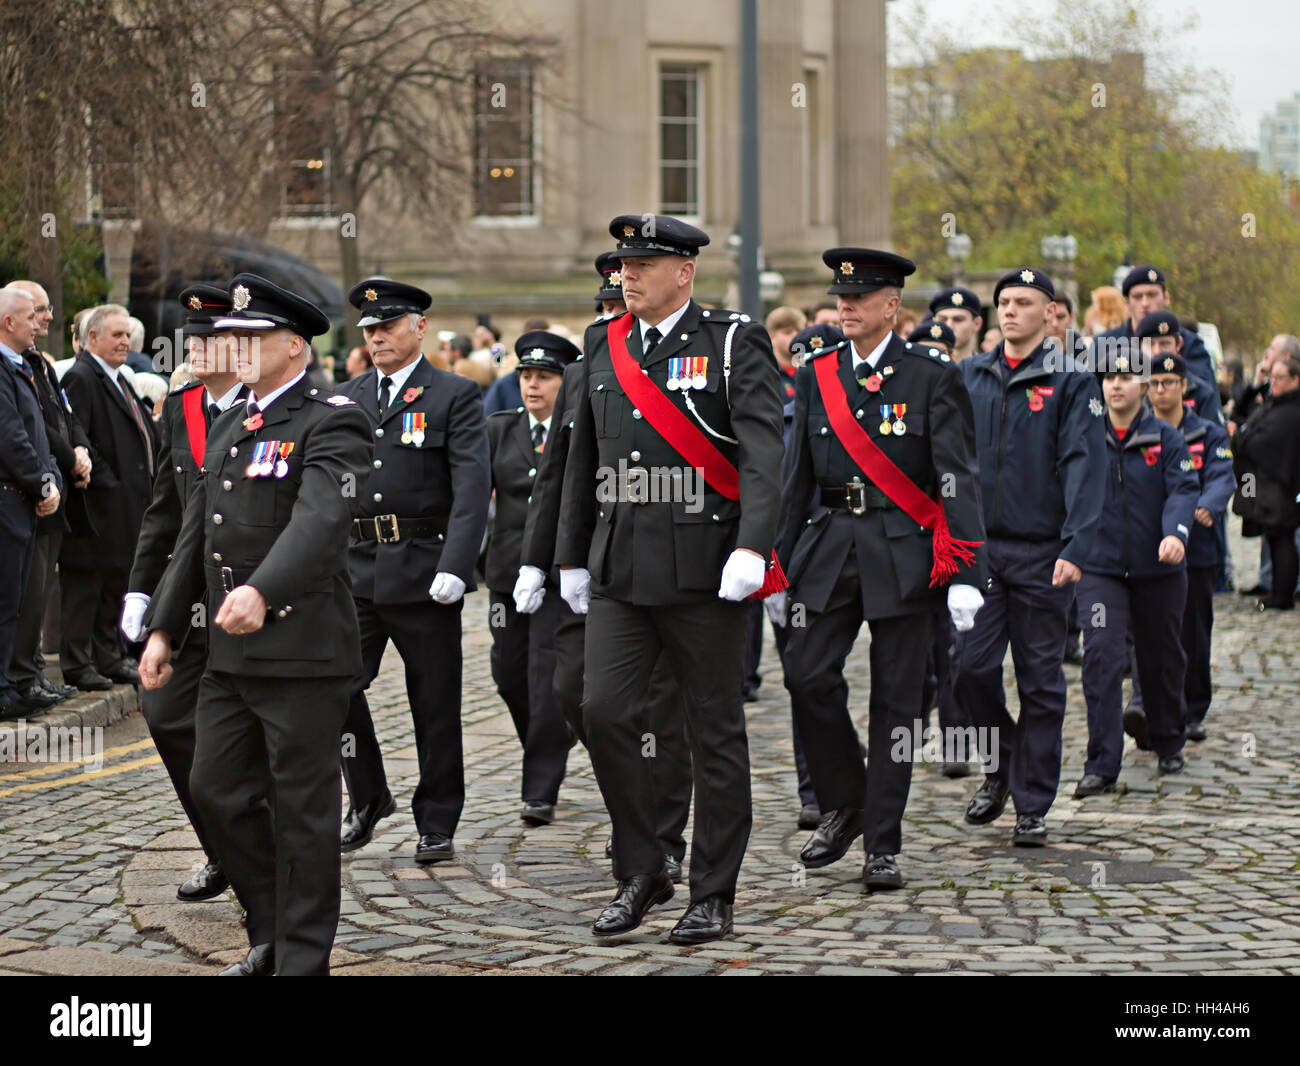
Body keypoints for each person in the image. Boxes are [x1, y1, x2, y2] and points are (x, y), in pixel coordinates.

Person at [555, 213, 784, 944]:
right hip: (620, 566)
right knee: (602, 712)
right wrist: (568, 555)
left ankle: (712, 891)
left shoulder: (728, 342)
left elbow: (760, 456)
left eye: (644, 265)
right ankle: (645, 867)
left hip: (703, 570)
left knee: (712, 730)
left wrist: (753, 547)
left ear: (683, 272)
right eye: (623, 265)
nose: (628, 276)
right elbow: (581, 463)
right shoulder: (603, 343)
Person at [139, 272, 374, 977]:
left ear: (293, 348)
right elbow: (194, 533)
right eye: (230, 336)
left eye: (251, 336)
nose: (234, 346)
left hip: (302, 650)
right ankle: (269, 921)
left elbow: (322, 519)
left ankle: (301, 960)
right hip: (228, 654)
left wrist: (265, 590)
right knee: (215, 789)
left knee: (304, 813)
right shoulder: (233, 420)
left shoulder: (332, 417)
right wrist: (162, 627)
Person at [769, 248, 985, 887]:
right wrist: (776, 563)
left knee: (896, 701)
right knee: (805, 674)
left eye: (858, 298)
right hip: (830, 546)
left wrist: (968, 570)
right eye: (841, 297)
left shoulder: (930, 375)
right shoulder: (818, 373)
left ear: (892, 305)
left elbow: (957, 475)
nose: (845, 308)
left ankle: (882, 845)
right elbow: (794, 479)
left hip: (903, 549)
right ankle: (848, 800)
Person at [515, 256, 694, 882]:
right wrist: (541, 561)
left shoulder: (677, 368)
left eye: (618, 309)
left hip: (660, 563)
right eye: (605, 311)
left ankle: (662, 838)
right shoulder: (583, 370)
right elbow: (559, 474)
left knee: (663, 710)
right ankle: (635, 808)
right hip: (586, 567)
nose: (612, 320)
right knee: (580, 696)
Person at [335, 278, 491, 863]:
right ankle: (369, 797)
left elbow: (473, 486)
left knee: (434, 702)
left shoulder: (453, 394)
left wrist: (459, 563)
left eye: (387, 326)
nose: (376, 336)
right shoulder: (347, 396)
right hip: (357, 571)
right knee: (337, 686)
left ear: (418, 328)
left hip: (426, 571)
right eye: (369, 329)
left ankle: (438, 818)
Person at [956, 268, 1106, 846]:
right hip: (981, 552)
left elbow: (1085, 466)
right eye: (1004, 302)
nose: (1011, 311)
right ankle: (1002, 764)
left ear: (1049, 313)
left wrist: (1077, 545)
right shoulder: (970, 375)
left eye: (1024, 302)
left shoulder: (1071, 381)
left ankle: (1032, 802)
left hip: (1045, 553)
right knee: (970, 668)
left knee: (1040, 678)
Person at [120, 284, 243, 902]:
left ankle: (267, 860)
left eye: (210, 337)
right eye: (191, 338)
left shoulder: (268, 405)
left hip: (255, 601)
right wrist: (142, 592)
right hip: (187, 598)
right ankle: (221, 848)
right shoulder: (184, 404)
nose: (195, 348)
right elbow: (166, 509)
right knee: (167, 717)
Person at [1071, 354, 1198, 796]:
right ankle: (1102, 763)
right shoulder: (1085, 436)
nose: (1115, 386)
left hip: (1159, 570)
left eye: (1125, 378)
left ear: (1142, 386)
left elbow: (1183, 489)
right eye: (1109, 379)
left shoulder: (1165, 438)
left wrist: (1176, 534)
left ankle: (1167, 741)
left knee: (1162, 657)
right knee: (1102, 655)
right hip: (1100, 570)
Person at [485, 332, 579, 823]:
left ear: (566, 382)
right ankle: (552, 739)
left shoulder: (576, 430)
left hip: (558, 576)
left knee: (546, 682)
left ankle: (539, 787)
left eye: (544, 377)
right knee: (508, 675)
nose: (533, 386)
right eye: (525, 376)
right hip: (506, 575)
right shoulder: (500, 430)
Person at [1137, 312, 1235, 743]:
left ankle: (1193, 707)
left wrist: (1207, 506)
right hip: (1147, 547)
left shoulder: (1207, 432)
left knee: (1193, 631)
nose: (1162, 390)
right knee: (1148, 630)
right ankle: (1148, 706)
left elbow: (1222, 476)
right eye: (1155, 384)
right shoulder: (1137, 432)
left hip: (1197, 550)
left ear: (1183, 386)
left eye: (1169, 383)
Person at [59, 303, 158, 690]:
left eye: (127, 334)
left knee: (115, 582)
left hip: (126, 505)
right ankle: (77, 663)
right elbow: (76, 434)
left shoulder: (119, 377)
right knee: (88, 586)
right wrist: (110, 482)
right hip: (98, 506)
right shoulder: (83, 377)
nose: (125, 341)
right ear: (92, 337)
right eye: (116, 335)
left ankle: (109, 656)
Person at [3, 281, 89, 710]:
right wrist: (50, 475)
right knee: (20, 594)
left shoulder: (36, 362)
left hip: (47, 486)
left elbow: (59, 418)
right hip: (26, 491)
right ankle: (17, 680)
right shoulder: (12, 367)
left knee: (33, 592)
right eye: (37, 311)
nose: (46, 319)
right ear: (11, 317)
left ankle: (28, 673)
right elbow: (16, 435)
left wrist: (78, 453)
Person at [0, 287, 62, 720]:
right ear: (8, 322)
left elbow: (39, 433)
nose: (38, 323)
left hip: (21, 501)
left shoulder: (23, 367)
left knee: (14, 601)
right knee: (5, 600)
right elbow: (10, 437)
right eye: (30, 317)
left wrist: (50, 481)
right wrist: (43, 485)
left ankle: (6, 684)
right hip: (7, 500)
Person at [1092, 266, 1221, 424]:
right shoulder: (1105, 344)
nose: (1145, 303)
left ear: (1166, 297)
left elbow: (1206, 394)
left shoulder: (1191, 343)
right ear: (1126, 302)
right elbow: (1091, 398)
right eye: (1138, 296)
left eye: (1152, 295)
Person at [1232, 353, 1300, 611]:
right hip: (1270, 486)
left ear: (1296, 380)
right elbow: (1243, 417)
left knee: (1281, 539)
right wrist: (1257, 384)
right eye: (1272, 377)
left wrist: (1240, 437)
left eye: (1280, 378)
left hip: (1283, 486)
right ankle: (1279, 593)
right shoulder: (1276, 404)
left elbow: (1256, 443)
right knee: (1275, 539)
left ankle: (1282, 596)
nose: (1274, 382)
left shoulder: (1290, 412)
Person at [929, 286, 982, 363]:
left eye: (958, 319)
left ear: (977, 324)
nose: (949, 326)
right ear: (933, 323)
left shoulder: (989, 371)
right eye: (943, 320)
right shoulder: (923, 369)